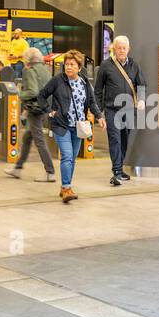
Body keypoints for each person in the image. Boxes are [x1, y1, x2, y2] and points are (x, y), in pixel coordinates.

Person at [40, 49, 104, 202]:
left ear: (79, 67)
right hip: (61, 125)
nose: (68, 67)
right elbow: (41, 95)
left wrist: (100, 116)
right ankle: (67, 187)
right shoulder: (57, 80)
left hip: (78, 126)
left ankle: (64, 188)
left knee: (72, 158)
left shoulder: (84, 82)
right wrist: (49, 111)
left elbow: (91, 102)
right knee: (67, 156)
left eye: (72, 65)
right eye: (67, 64)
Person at [93, 34, 145, 186]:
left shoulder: (134, 65)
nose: (121, 50)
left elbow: (141, 84)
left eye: (124, 48)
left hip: (129, 110)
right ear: (114, 49)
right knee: (115, 139)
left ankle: (119, 168)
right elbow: (98, 90)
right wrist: (98, 112)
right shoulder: (106, 65)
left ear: (128, 49)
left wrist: (141, 99)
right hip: (112, 110)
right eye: (119, 48)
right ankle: (116, 171)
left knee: (124, 140)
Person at [4, 46, 56, 182]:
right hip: (44, 107)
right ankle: (18, 168)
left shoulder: (29, 70)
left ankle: (50, 172)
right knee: (27, 138)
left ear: (28, 59)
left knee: (39, 140)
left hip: (35, 109)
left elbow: (33, 92)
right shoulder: (45, 70)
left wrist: (18, 93)